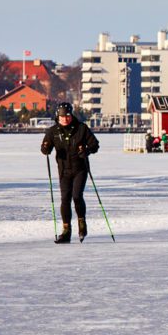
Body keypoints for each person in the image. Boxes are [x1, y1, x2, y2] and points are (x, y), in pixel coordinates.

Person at [40, 102, 100, 243]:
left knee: (77, 196)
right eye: (62, 116)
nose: (65, 119)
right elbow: (44, 149)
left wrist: (87, 150)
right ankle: (66, 231)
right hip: (64, 170)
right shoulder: (52, 131)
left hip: (80, 168)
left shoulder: (81, 128)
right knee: (65, 199)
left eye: (67, 116)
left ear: (71, 115)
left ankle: (82, 224)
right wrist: (46, 149)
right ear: (58, 116)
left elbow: (95, 145)